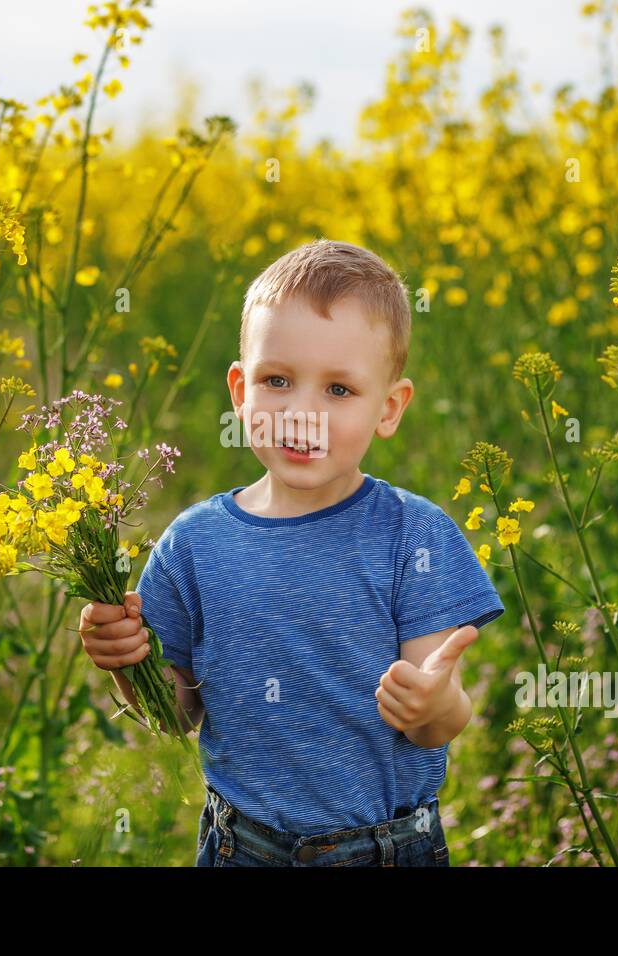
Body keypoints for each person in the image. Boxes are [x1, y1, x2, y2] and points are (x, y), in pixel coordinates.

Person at [78, 238, 505, 866]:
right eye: (276, 381)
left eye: (338, 390)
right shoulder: (195, 544)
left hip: (385, 851)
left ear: (389, 408)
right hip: (241, 849)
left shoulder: (413, 534)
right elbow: (176, 714)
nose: (302, 412)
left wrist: (435, 703)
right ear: (240, 391)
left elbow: (436, 722)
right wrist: (124, 661)